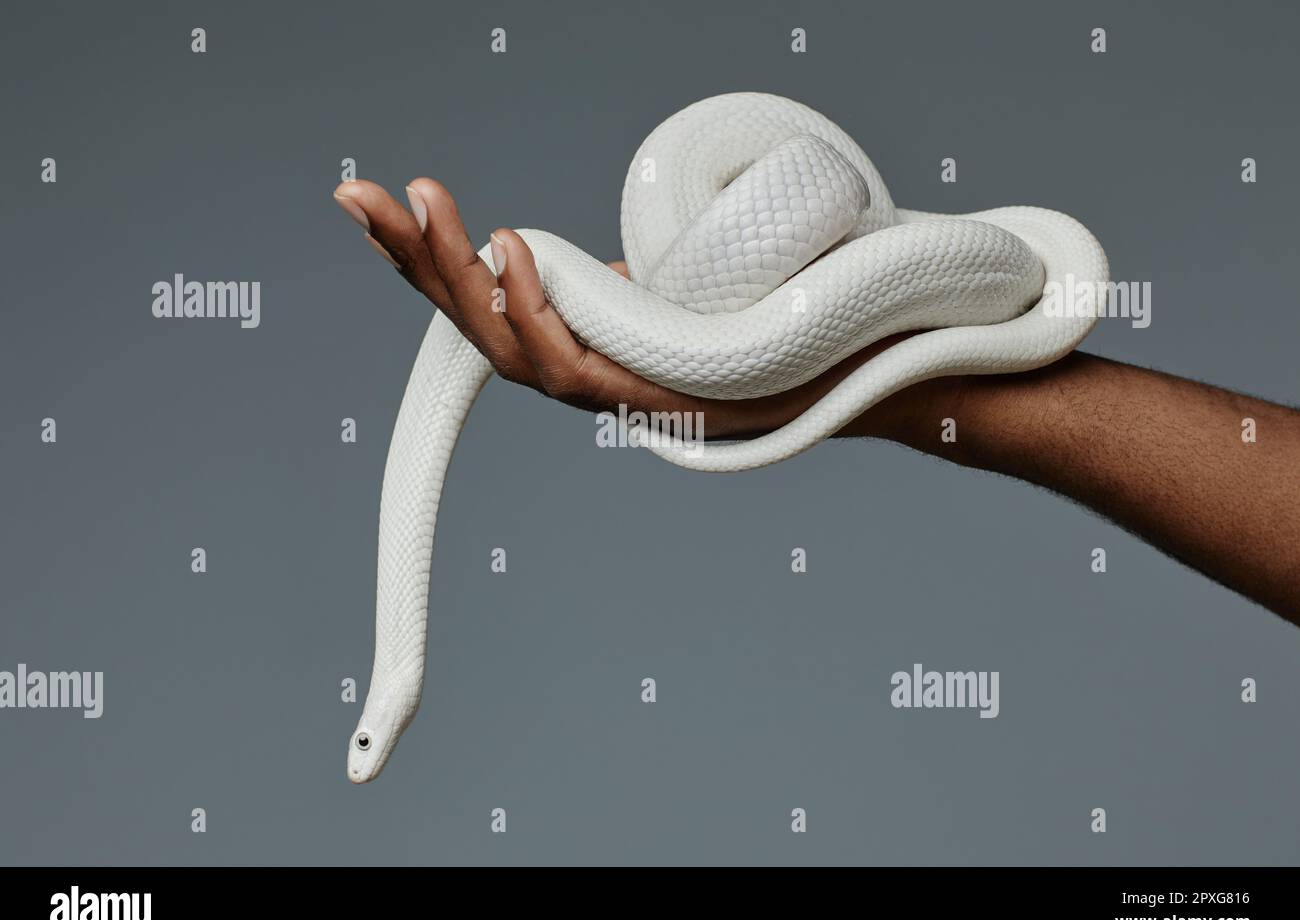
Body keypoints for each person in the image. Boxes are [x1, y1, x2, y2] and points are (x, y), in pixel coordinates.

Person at [334, 179, 1300, 627]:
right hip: (951, 262)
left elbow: (857, 231)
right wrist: (891, 366)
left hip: (967, 259)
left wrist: (857, 357)